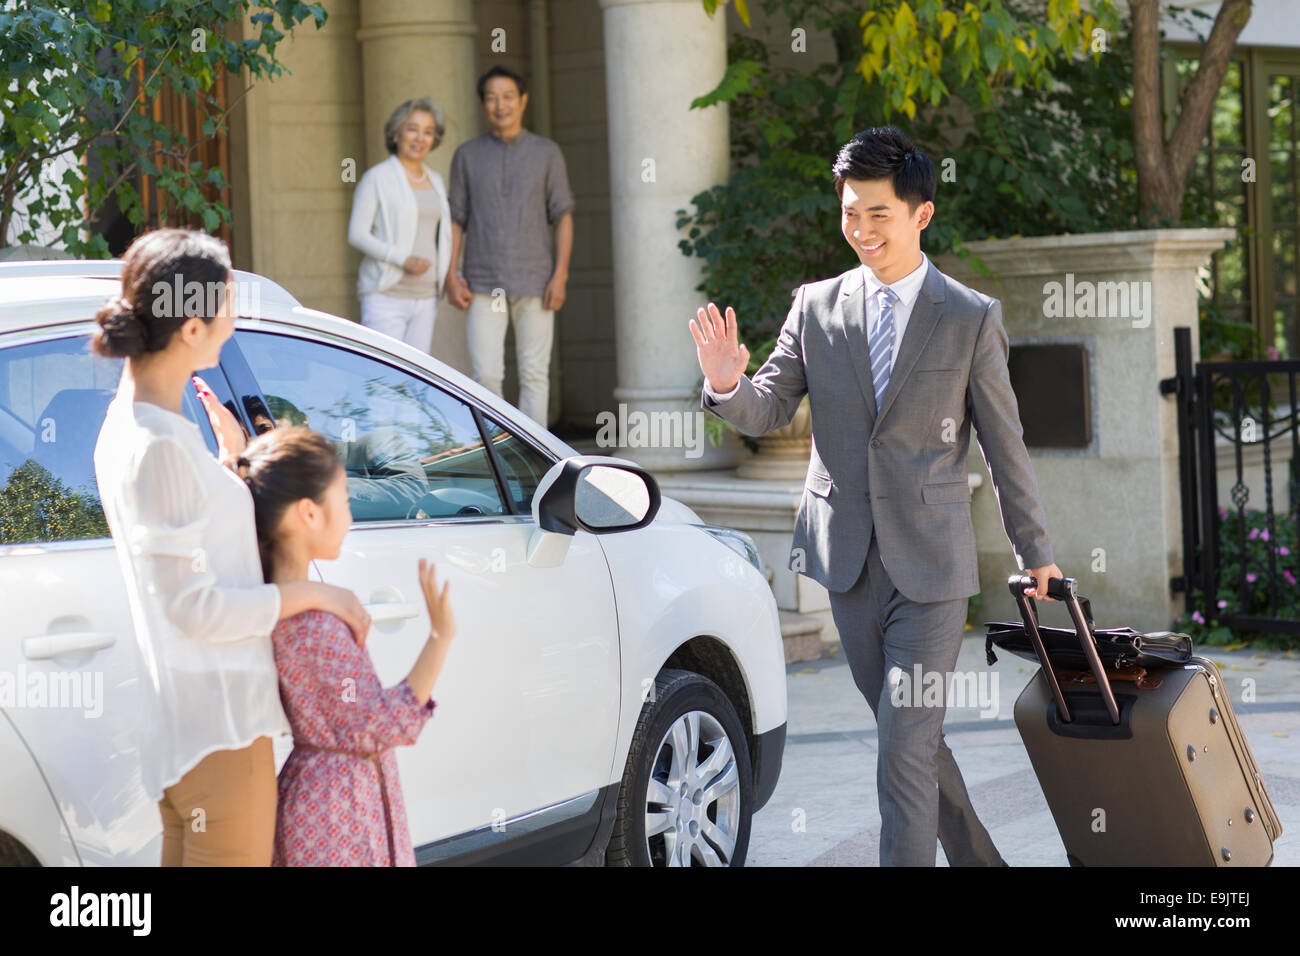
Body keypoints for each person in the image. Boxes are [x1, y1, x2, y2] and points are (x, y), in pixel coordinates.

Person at [691, 127, 1064, 867]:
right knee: (914, 740)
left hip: (931, 569)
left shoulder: (969, 318)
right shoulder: (816, 306)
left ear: (921, 215)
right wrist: (728, 383)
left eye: (878, 214)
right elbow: (768, 410)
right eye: (850, 213)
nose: (861, 230)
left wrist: (1036, 552)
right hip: (849, 566)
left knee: (900, 748)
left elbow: (1003, 442)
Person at [91, 228, 372, 866]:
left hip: (186, 738)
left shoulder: (139, 425)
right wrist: (313, 594)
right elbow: (193, 608)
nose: (234, 319)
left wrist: (227, 465)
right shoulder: (159, 444)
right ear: (192, 327)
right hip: (219, 739)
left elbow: (190, 546)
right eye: (226, 305)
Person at [233, 426, 456, 866]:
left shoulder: (287, 606)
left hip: (328, 800)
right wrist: (440, 637)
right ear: (309, 514)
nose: (351, 518)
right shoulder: (313, 623)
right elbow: (379, 724)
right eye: (346, 503)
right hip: (338, 814)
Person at [446, 65, 574, 426]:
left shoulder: (547, 153)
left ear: (523, 101)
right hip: (483, 281)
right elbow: (457, 219)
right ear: (483, 105)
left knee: (535, 375)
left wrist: (560, 275)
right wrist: (451, 275)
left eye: (507, 97)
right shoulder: (467, 155)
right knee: (485, 376)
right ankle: (498, 459)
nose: (499, 105)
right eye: (491, 98)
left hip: (536, 280)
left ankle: (539, 462)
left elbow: (563, 214)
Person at [348, 96, 454, 352]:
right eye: (412, 129)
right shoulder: (376, 177)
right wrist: (403, 259)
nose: (420, 138)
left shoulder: (436, 180)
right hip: (386, 295)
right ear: (396, 134)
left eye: (428, 132)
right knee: (382, 381)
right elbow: (357, 234)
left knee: (414, 384)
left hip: (426, 297)